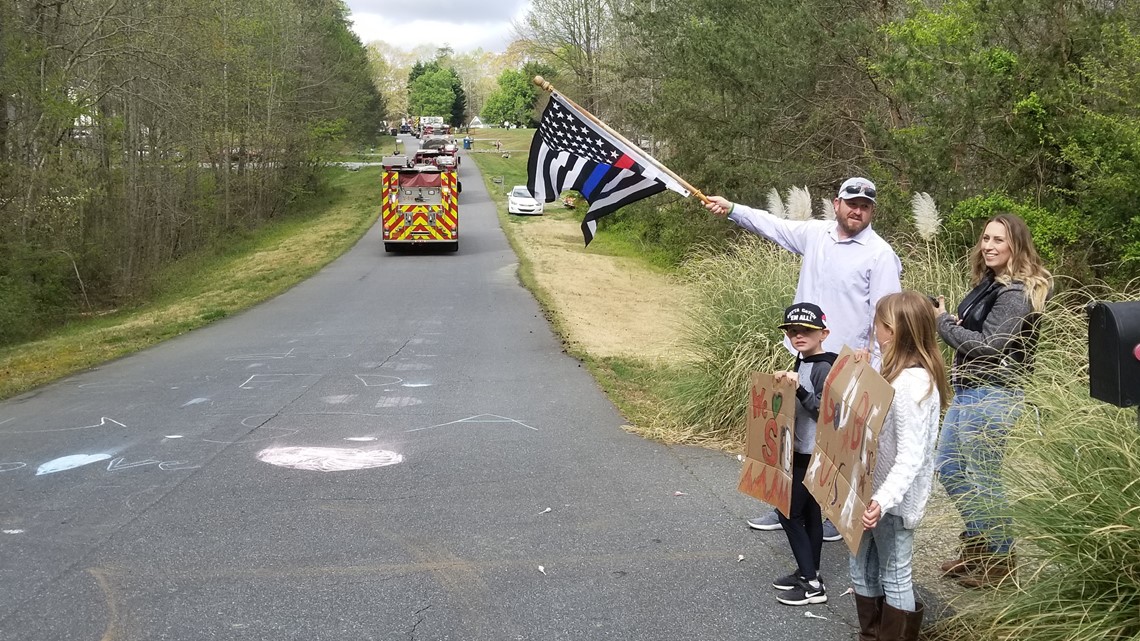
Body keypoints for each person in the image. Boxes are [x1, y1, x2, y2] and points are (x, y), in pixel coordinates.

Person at [704, 177, 903, 540]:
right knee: (798, 436)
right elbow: (773, 226)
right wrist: (732, 209)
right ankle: (788, 506)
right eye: (851, 203)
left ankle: (834, 514)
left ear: (872, 211)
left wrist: (877, 367)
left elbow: (887, 314)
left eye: (865, 206)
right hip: (806, 356)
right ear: (837, 203)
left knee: (839, 444)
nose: (857, 211)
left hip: (847, 367)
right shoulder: (816, 235)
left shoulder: (880, 254)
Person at [933, 213, 1052, 588]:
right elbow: (981, 333)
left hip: (993, 392)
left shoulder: (1016, 293)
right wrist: (955, 323)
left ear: (1016, 245)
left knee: (985, 479)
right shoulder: (990, 285)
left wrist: (943, 323)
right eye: (986, 238)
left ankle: (1001, 562)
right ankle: (980, 545)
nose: (988, 246)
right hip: (970, 390)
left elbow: (988, 347)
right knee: (949, 468)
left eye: (998, 240)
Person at [850, 291, 951, 641]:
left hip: (891, 502)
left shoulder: (912, 384)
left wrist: (882, 500)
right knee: (861, 569)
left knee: (894, 576)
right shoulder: (895, 374)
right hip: (874, 494)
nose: (874, 330)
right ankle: (872, 634)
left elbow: (912, 456)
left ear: (891, 331)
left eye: (878, 324)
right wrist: (861, 371)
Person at [769, 303, 837, 606]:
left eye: (806, 331)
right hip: (799, 449)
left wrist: (798, 390)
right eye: (793, 331)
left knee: (787, 513)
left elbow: (826, 410)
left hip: (811, 453)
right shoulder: (804, 361)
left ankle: (811, 585)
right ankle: (810, 571)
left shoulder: (823, 366)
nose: (798, 335)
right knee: (810, 514)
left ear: (823, 334)